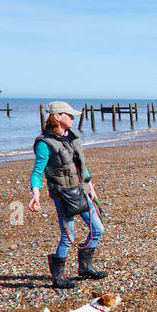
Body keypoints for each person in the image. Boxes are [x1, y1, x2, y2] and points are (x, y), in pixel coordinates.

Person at [28, 101, 106, 288]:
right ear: (56, 117)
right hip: (63, 194)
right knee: (67, 237)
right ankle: (58, 278)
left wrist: (90, 186)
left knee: (98, 229)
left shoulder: (73, 137)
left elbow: (81, 166)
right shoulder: (44, 143)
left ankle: (86, 268)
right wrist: (35, 194)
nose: (73, 118)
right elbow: (37, 171)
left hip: (82, 190)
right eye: (68, 115)